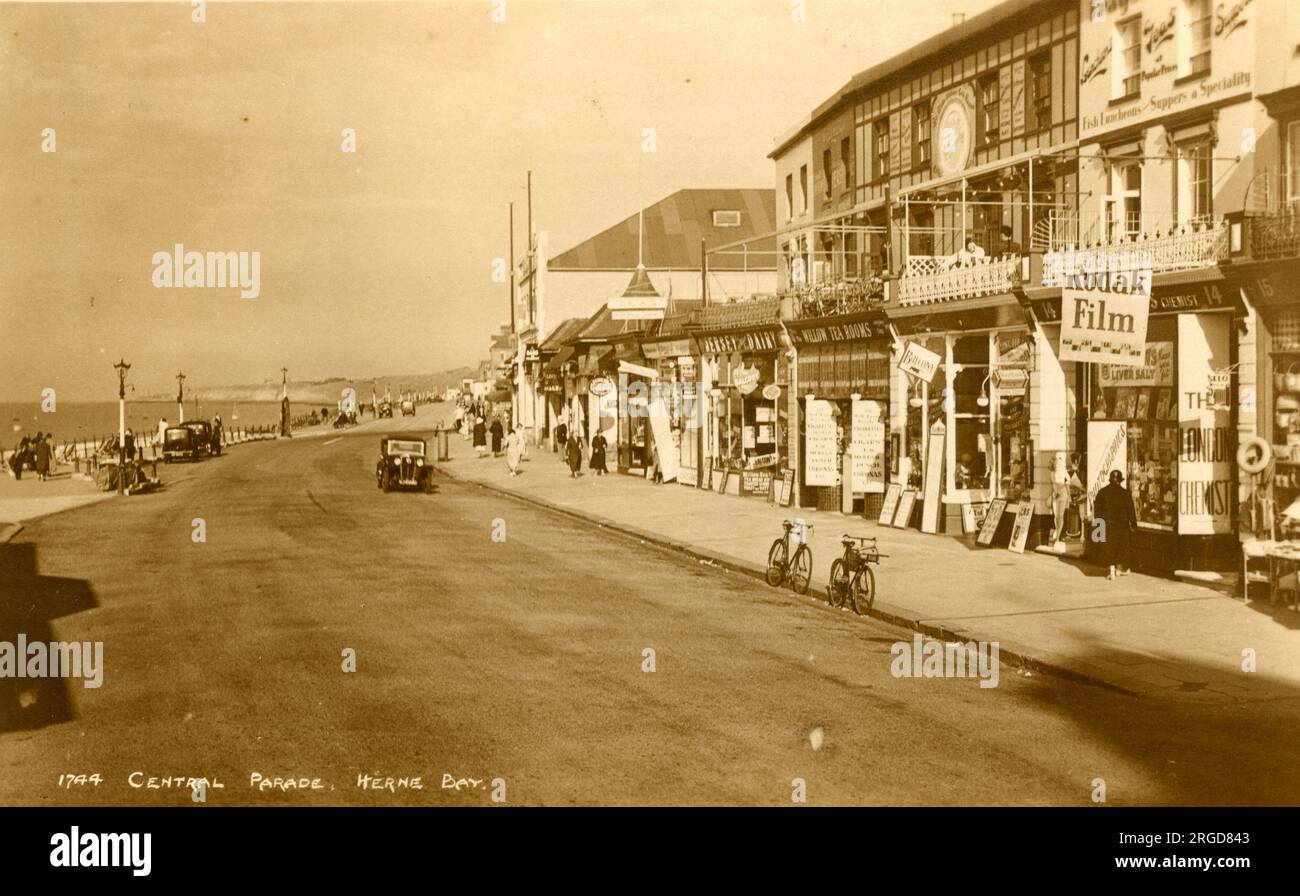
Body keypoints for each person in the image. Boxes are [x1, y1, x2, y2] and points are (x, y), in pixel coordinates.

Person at [1093, 469, 1137, 580]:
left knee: (1109, 548)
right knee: (1121, 548)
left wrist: (1099, 524)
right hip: (1122, 526)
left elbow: (1097, 509)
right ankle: (1119, 569)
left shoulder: (1103, 492)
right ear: (1120, 481)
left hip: (1108, 525)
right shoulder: (1126, 493)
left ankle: (1112, 572)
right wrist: (1134, 524)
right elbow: (1131, 510)